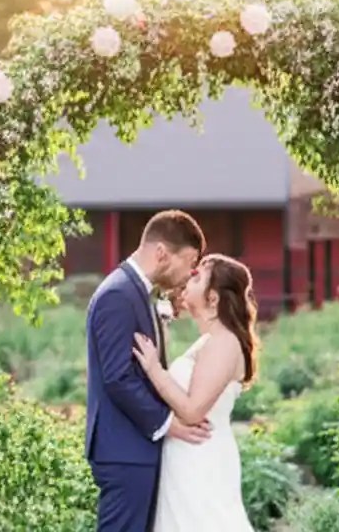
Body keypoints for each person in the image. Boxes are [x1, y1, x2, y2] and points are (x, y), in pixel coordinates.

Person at [85, 209, 212, 532]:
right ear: (161, 253)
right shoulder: (118, 294)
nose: (190, 272)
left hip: (133, 448)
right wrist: (168, 423)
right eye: (190, 260)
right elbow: (118, 377)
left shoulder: (135, 292)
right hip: (124, 450)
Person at [132, 253, 259, 532]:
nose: (190, 277)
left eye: (198, 276)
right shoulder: (210, 340)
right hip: (186, 456)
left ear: (213, 299)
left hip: (201, 459)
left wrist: (154, 368)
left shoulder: (224, 342)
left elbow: (191, 410)